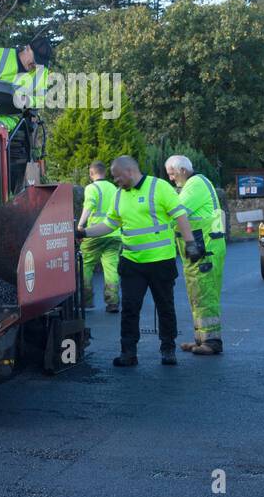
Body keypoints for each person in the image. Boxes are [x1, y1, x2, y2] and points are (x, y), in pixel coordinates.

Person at [79, 156, 202, 367]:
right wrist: (83, 232)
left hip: (160, 261)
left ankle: (168, 349)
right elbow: (109, 224)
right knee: (129, 308)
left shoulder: (159, 187)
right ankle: (128, 353)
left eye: (117, 176)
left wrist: (190, 243)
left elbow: (180, 215)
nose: (116, 180)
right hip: (132, 262)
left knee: (165, 306)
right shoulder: (118, 196)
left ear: (129, 171)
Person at [165, 155, 226, 356]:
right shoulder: (195, 184)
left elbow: (176, 212)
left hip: (204, 250)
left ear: (182, 170)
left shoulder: (195, 185)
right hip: (201, 250)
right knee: (197, 296)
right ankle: (201, 339)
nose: (171, 179)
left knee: (205, 295)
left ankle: (212, 342)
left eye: (172, 174)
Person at [77, 160, 120, 312]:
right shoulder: (114, 188)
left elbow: (88, 207)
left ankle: (86, 301)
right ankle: (113, 302)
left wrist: (80, 227)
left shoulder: (91, 188)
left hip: (94, 234)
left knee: (85, 266)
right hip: (114, 234)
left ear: (91, 174)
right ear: (105, 173)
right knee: (111, 268)